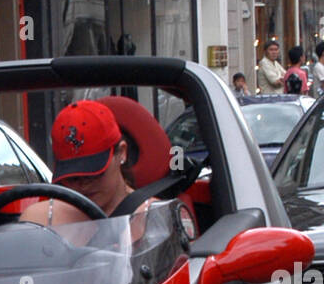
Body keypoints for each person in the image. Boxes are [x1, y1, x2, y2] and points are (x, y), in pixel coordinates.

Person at [21, 99, 196, 240]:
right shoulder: (38, 220)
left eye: (95, 173)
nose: (83, 185)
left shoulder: (158, 219)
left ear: (122, 153)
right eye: (73, 177)